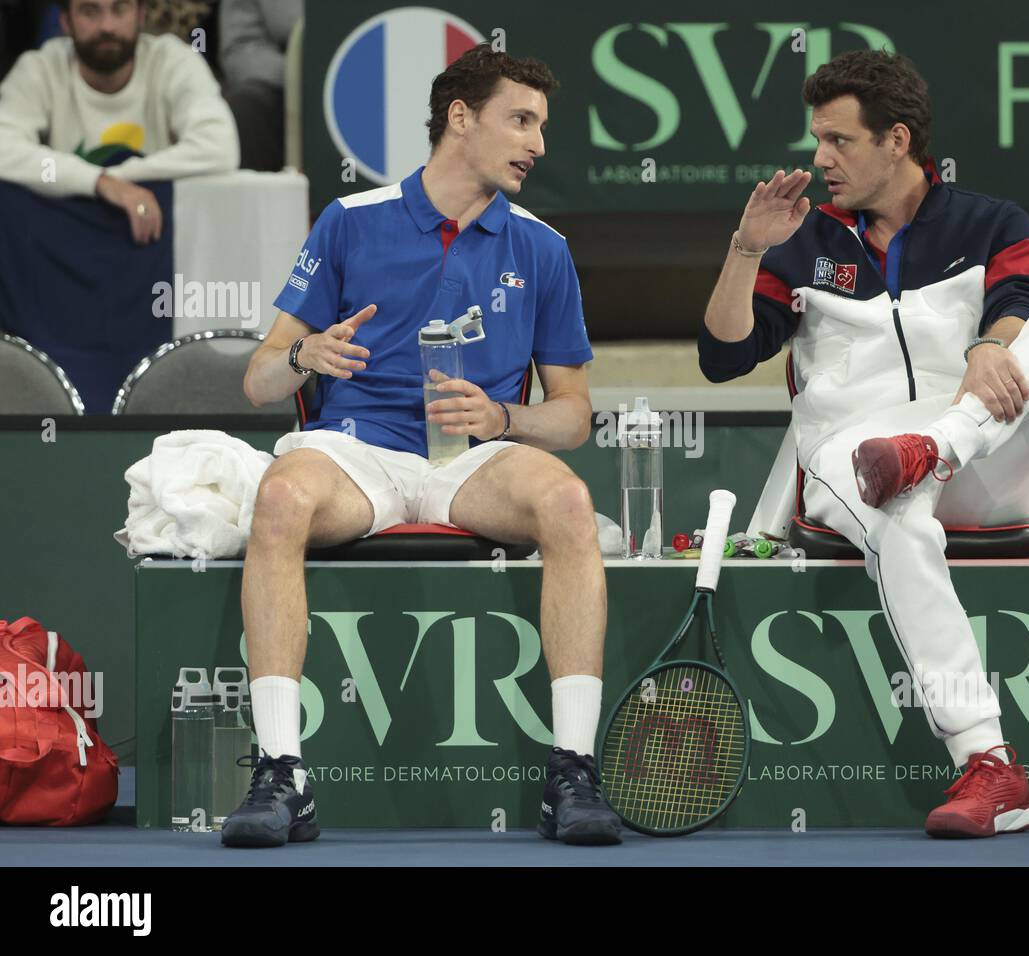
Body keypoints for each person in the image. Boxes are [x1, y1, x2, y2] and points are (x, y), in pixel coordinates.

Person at [698, 50, 1029, 838]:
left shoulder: (990, 221)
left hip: (977, 452)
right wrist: (747, 248)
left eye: (839, 141)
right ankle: (990, 763)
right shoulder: (800, 240)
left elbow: (1020, 298)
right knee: (897, 508)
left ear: (897, 140)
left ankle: (940, 446)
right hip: (852, 461)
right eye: (817, 139)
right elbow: (723, 358)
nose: (820, 159)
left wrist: (993, 344)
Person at [227, 44, 621, 848]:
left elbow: (575, 416)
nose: (537, 143)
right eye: (521, 119)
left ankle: (573, 770)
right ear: (460, 118)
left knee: (568, 501)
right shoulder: (351, 221)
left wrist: (502, 419)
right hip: (357, 450)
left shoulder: (542, 246)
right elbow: (259, 381)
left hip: (472, 460)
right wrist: (306, 356)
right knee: (279, 496)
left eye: (542, 125)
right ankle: (280, 772)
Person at [0, 0, 238, 244]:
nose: (107, 26)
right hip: (64, 239)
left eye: (120, 8)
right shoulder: (40, 68)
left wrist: (113, 180)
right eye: (89, 11)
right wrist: (97, 183)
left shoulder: (175, 60)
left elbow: (219, 147)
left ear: (141, 14)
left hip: (157, 240)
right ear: (65, 21)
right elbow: (4, 149)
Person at [219, 0, 301, 171]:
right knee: (245, 109)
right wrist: (303, 75)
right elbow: (241, 49)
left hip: (366, 76)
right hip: (288, 83)